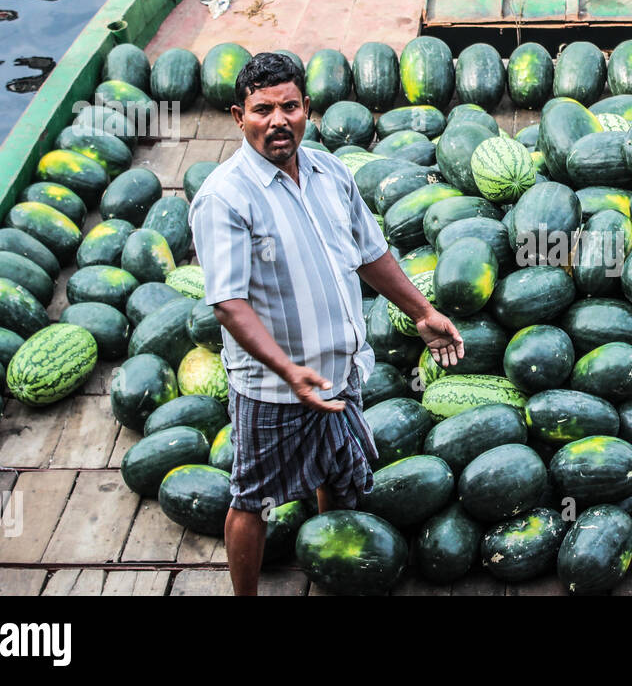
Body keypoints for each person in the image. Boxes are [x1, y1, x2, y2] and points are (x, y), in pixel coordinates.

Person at [188, 52, 465, 596]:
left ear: (307, 109)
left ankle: (330, 560)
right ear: (237, 117)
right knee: (253, 500)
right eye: (262, 109)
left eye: (289, 106)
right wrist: (287, 369)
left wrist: (424, 314)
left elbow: (370, 253)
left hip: (342, 370)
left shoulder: (330, 172)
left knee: (339, 478)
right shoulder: (225, 198)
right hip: (274, 388)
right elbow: (228, 303)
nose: (277, 120)